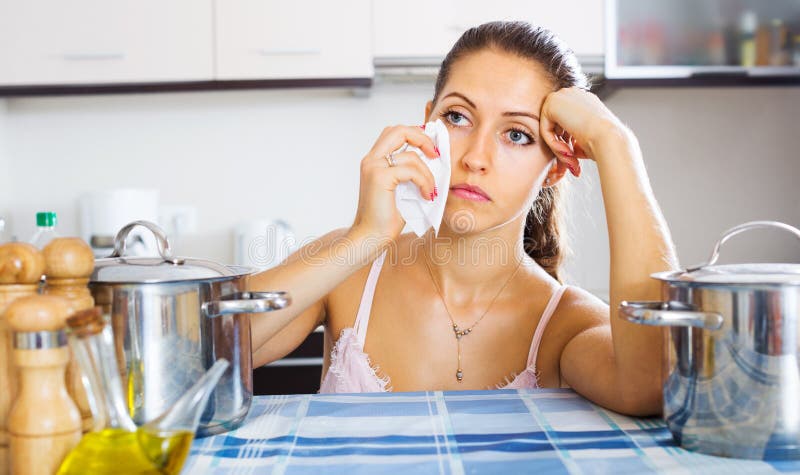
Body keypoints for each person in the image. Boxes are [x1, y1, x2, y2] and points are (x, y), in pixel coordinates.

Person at [247, 21, 678, 416]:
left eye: (517, 134)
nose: (474, 158)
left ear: (555, 167)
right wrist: (366, 236)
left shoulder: (564, 324)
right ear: (427, 122)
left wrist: (615, 141)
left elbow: (653, 385)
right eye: (457, 117)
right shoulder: (350, 268)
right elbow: (204, 352)